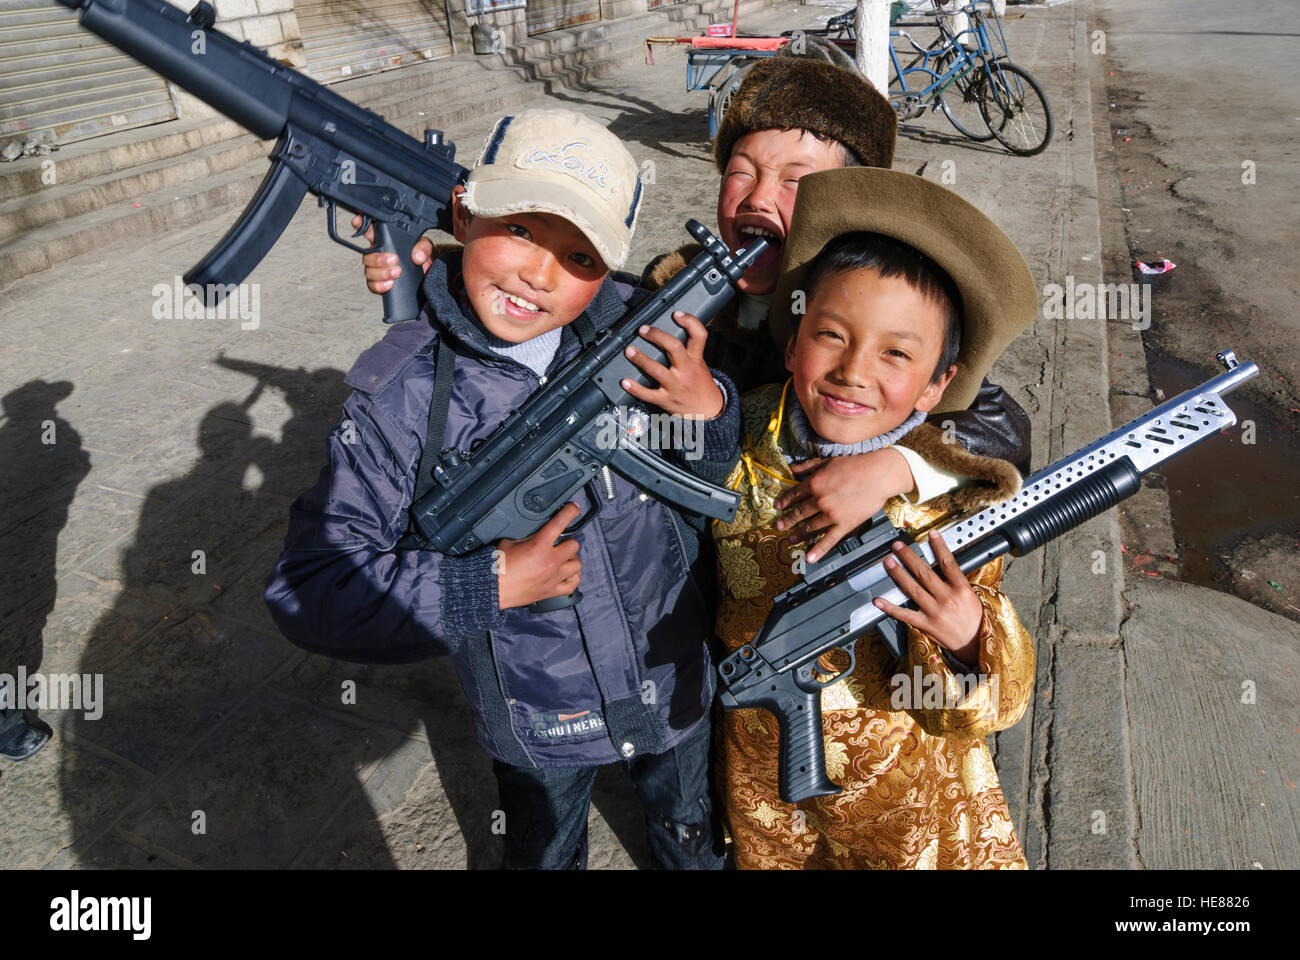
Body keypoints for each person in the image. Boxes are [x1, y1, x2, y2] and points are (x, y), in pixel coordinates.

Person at [265, 109, 741, 870]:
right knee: (543, 851)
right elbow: (309, 586)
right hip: (537, 711)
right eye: (520, 229)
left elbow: (709, 482)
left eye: (579, 256)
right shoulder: (402, 396)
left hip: (670, 677)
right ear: (463, 212)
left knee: (691, 834)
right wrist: (485, 585)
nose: (539, 273)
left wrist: (707, 408)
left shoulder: (636, 331)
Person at [353, 52, 1033, 566]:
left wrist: (898, 468)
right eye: (742, 170)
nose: (759, 197)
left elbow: (998, 422)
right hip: (677, 579)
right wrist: (449, 266)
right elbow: (574, 293)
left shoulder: (868, 309)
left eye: (797, 182)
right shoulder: (673, 285)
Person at [690, 165, 1039, 868]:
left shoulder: (948, 502)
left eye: (896, 353)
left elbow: (990, 708)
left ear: (938, 385)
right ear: (791, 343)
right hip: (764, 791)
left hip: (911, 810)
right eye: (831, 335)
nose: (854, 370)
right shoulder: (732, 435)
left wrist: (971, 640)